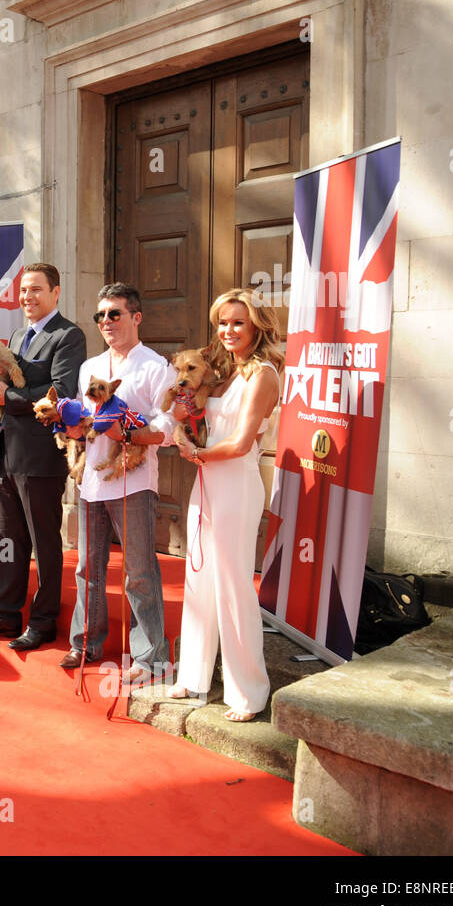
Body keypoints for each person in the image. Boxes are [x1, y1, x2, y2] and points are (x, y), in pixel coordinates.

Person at [167, 288, 282, 721]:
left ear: (256, 326)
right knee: (198, 577)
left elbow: (238, 444)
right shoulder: (222, 371)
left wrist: (196, 454)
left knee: (234, 587)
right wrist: (181, 430)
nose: (229, 330)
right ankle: (193, 677)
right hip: (206, 481)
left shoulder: (263, 375)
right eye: (223, 322)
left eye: (238, 322)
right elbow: (197, 418)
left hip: (235, 483)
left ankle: (248, 692)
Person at [0, 262, 86, 650]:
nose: (27, 297)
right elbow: (0, 383)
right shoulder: (16, 334)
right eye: (22, 291)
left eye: (35, 290)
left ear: (55, 292)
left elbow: (62, 391)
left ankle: (44, 620)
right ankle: (5, 614)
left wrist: (9, 397)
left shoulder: (68, 335)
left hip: (41, 458)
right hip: (7, 455)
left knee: (44, 543)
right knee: (7, 541)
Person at [61, 282, 175, 680]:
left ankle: (151, 658)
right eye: (100, 315)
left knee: (140, 572)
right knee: (87, 569)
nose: (106, 322)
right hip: (91, 481)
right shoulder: (89, 367)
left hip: (134, 481)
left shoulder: (156, 366)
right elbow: (86, 421)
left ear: (136, 317)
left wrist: (125, 434)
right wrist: (74, 429)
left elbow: (168, 428)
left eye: (115, 314)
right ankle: (85, 643)